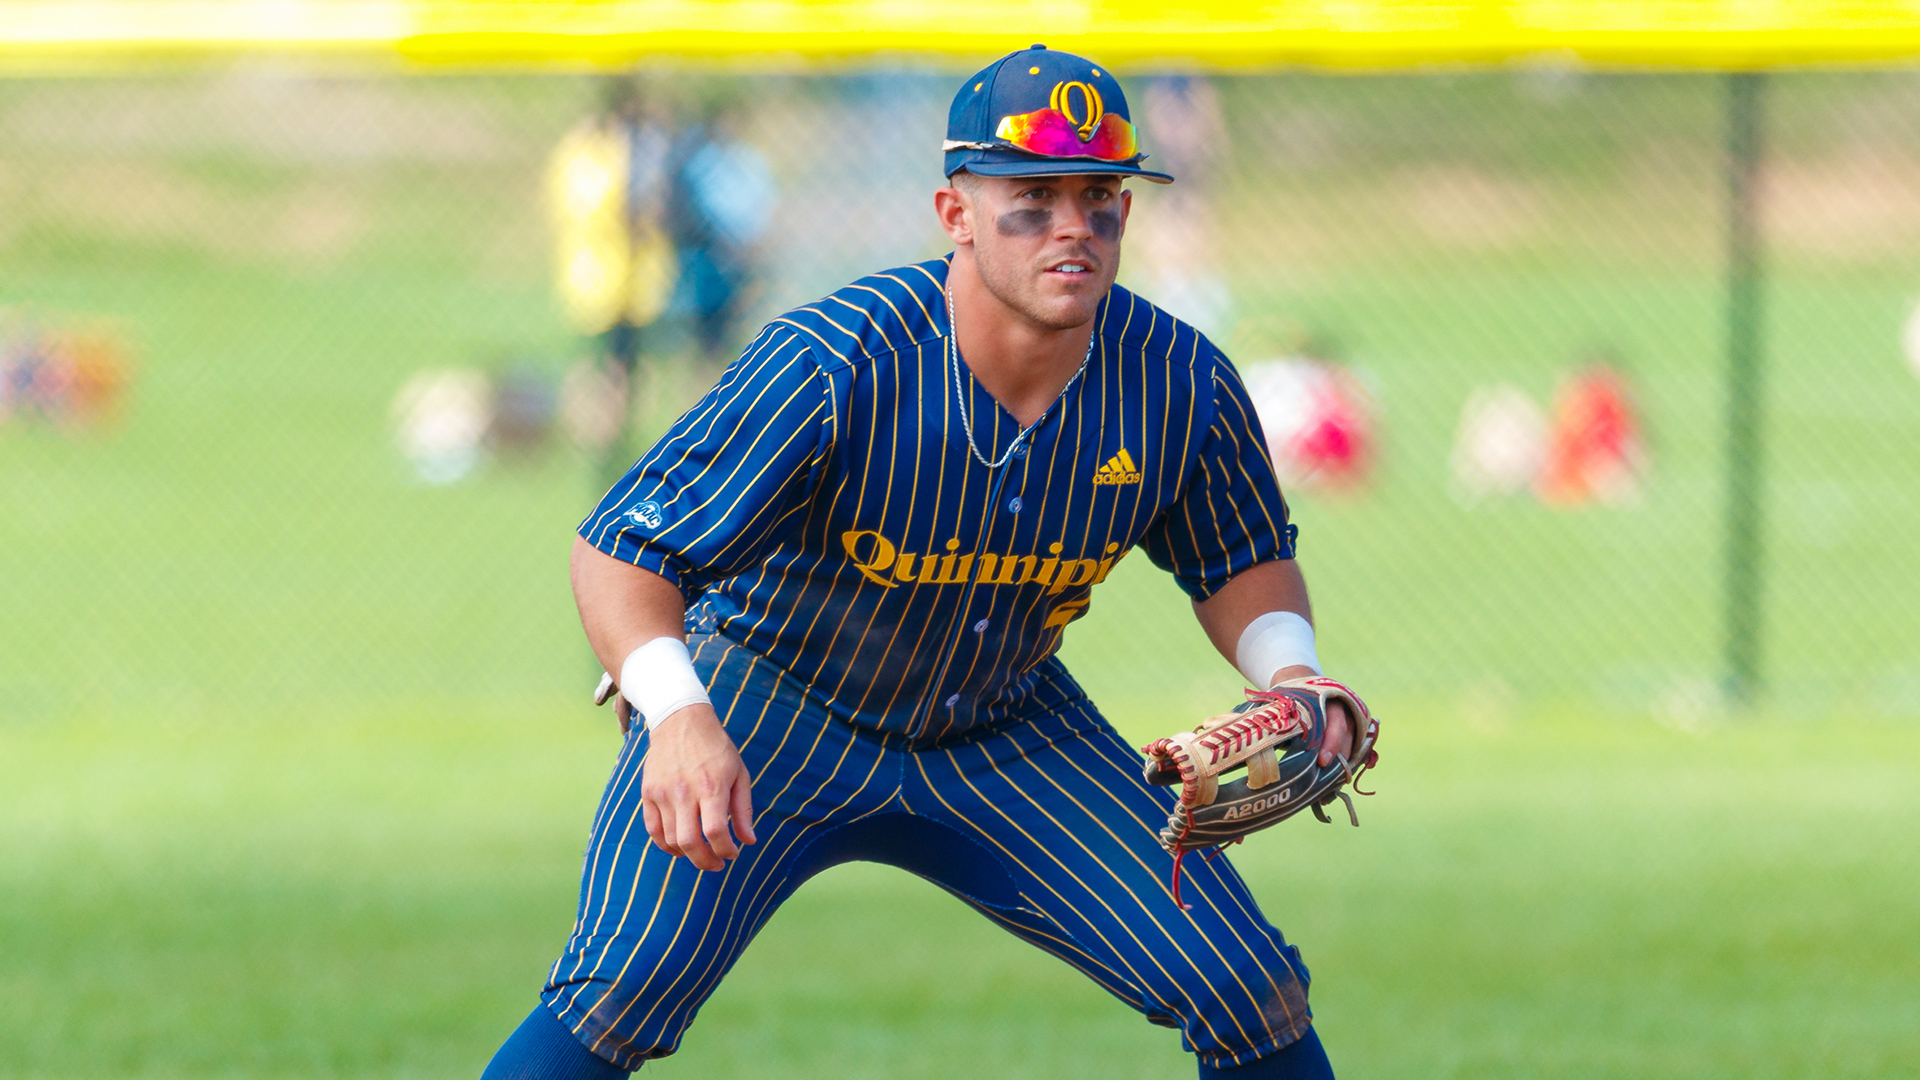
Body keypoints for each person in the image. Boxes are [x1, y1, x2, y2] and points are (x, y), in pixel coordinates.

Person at [482, 45, 1359, 1080]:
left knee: (1245, 985)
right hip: (772, 704)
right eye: (1031, 200)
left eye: (1099, 197)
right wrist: (674, 709)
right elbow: (624, 547)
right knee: (617, 995)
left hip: (1002, 724)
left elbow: (1240, 559)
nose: (1073, 226)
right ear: (957, 214)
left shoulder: (1179, 381)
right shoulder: (838, 357)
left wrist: (1295, 675)